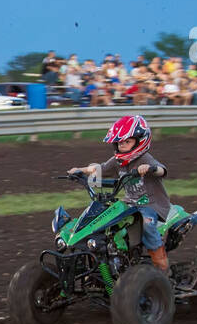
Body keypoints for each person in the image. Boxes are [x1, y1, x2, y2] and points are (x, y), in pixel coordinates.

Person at [68, 115, 173, 272]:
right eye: (120, 142)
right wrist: (80, 170)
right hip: (130, 203)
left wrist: (150, 169)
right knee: (105, 219)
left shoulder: (145, 158)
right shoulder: (118, 161)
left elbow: (162, 170)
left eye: (127, 141)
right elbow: (99, 169)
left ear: (140, 141)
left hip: (151, 205)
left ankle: (160, 263)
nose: (122, 145)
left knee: (148, 224)